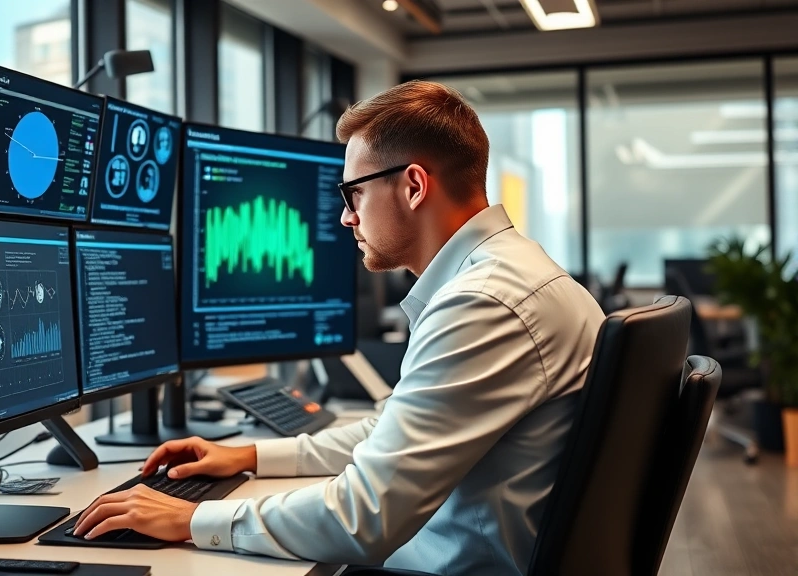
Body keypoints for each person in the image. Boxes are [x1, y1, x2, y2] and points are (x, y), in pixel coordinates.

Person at [72, 80, 605, 575]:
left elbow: (363, 517)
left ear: (414, 186)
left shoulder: (484, 303)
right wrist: (252, 455)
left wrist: (189, 521)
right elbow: (393, 431)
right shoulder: (512, 273)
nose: (346, 217)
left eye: (353, 194)